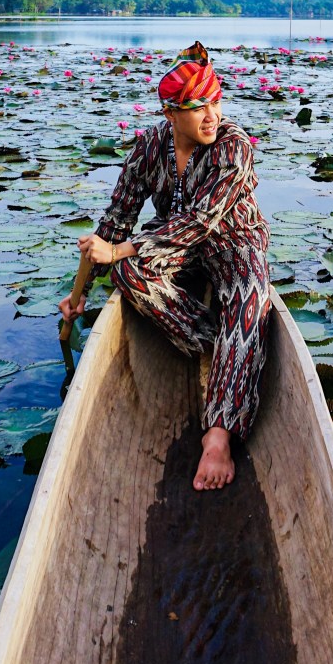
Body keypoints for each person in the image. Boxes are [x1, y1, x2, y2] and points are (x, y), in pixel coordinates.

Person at [58, 41, 270, 491]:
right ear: (171, 114)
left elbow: (201, 220)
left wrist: (121, 249)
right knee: (127, 273)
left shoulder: (234, 147)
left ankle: (219, 435)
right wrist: (80, 292)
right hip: (172, 240)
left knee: (250, 294)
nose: (212, 115)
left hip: (231, 238)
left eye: (215, 101)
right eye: (197, 107)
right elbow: (117, 219)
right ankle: (220, 344)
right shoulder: (150, 146)